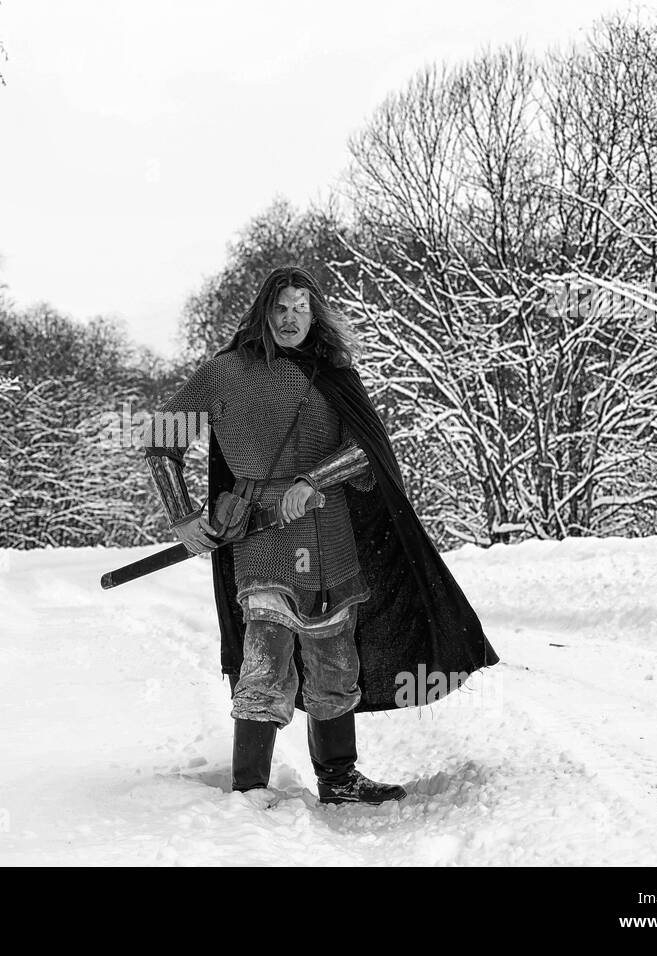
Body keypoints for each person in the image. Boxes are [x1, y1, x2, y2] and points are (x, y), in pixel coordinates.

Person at [144, 265, 499, 806]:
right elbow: (159, 439)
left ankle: (339, 780)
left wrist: (314, 479)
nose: (290, 319)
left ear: (315, 315)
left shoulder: (333, 375)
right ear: (264, 311)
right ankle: (249, 787)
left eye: (301, 308)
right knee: (266, 651)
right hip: (261, 537)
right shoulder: (223, 373)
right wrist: (183, 517)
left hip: (329, 532)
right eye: (281, 308)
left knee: (335, 656)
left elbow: (369, 453)